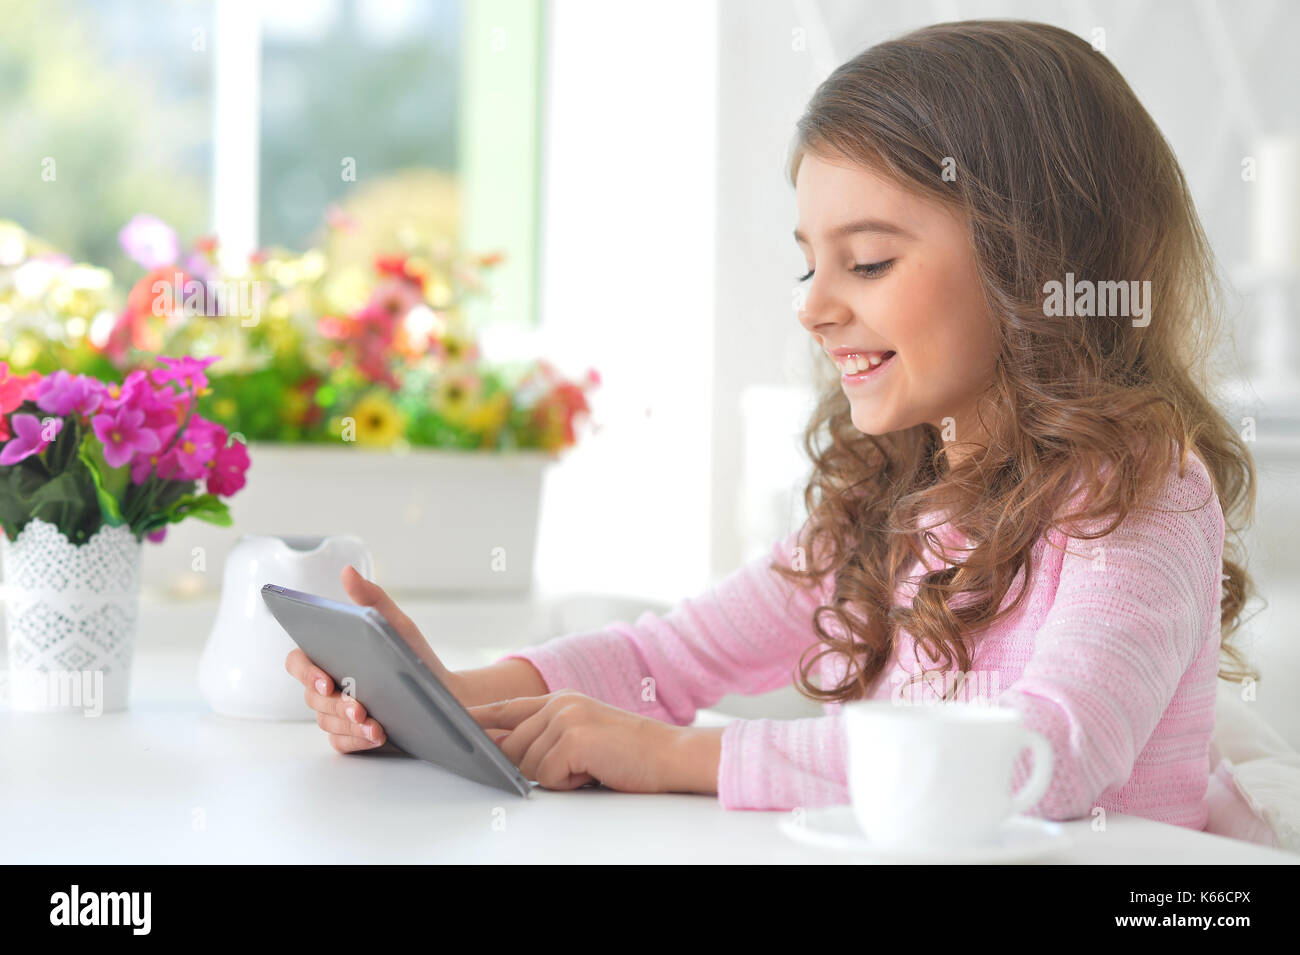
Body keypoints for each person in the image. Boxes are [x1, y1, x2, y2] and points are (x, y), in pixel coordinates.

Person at [286, 19, 1256, 828]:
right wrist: (443, 694)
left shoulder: (1140, 496)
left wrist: (675, 756)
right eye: (810, 263)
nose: (813, 307)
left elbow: (1034, 760)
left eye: (867, 262)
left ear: (1034, 268)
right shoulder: (901, 488)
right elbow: (665, 661)